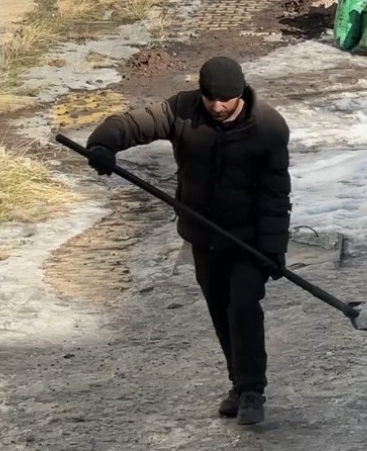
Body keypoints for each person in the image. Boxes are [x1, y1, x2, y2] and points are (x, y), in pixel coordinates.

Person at [84, 56, 292, 426]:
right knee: (220, 310)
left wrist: (273, 248)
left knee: (243, 306)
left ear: (240, 93)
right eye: (210, 98)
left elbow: (275, 195)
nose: (216, 106)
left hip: (248, 240)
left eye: (225, 100)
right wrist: (103, 144)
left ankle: (251, 391)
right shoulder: (183, 109)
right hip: (204, 236)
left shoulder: (268, 128)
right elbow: (131, 123)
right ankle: (238, 384)